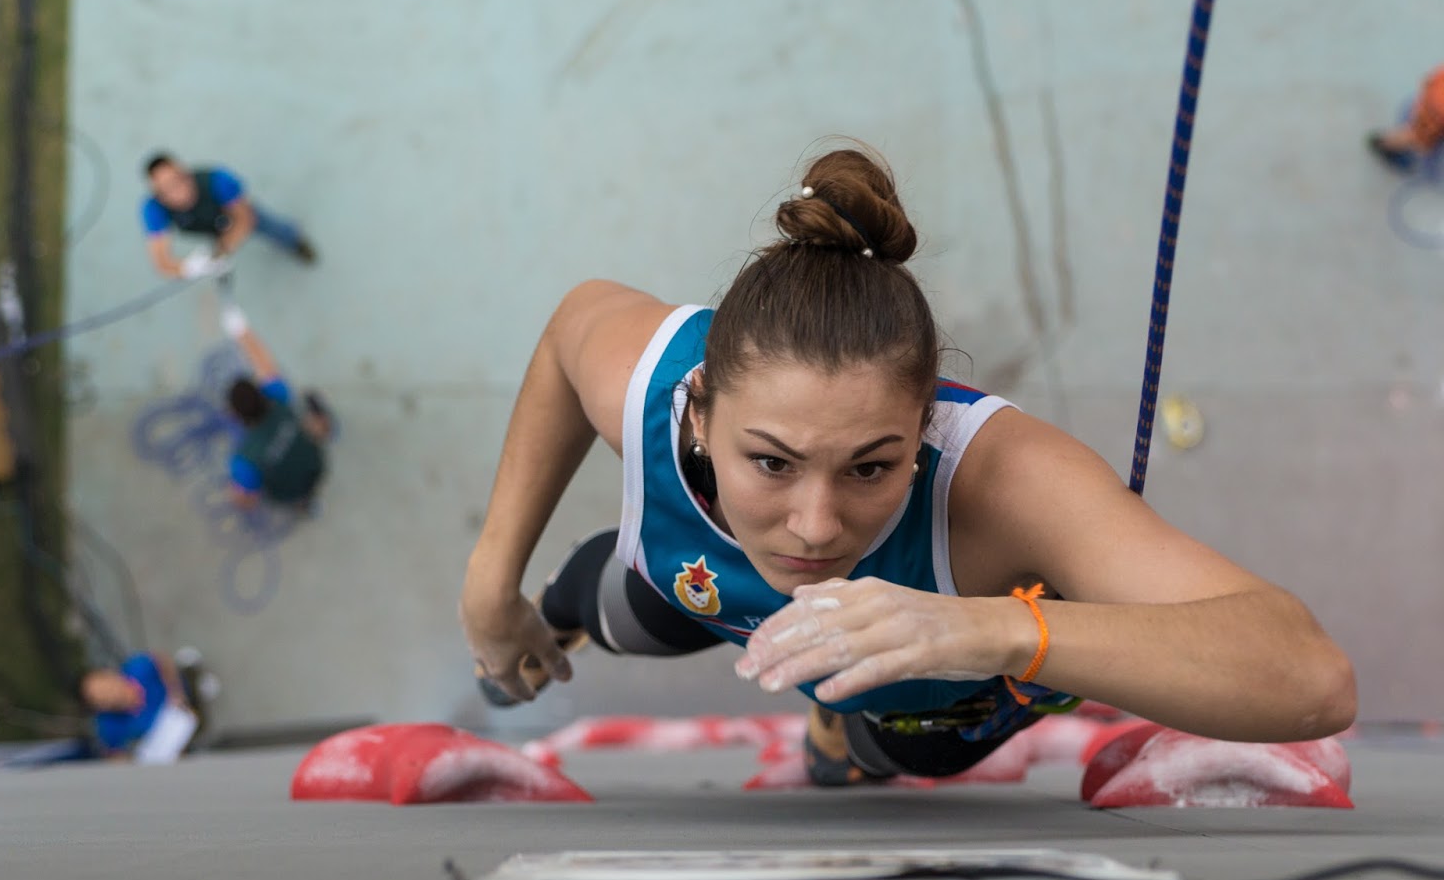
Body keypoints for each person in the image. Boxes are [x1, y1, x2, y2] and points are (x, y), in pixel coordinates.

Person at [458, 143, 1356, 786]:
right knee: (600, 601)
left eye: (869, 468)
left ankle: (847, 732)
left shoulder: (1007, 481)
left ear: (925, 426)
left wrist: (992, 629)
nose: (816, 526)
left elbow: (1313, 676)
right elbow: (568, 329)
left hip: (929, 674)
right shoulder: (647, 381)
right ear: (696, 412)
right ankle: (601, 597)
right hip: (705, 577)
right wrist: (491, 587)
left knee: (900, 751)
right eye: (771, 463)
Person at [221, 306, 333, 510]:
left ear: (236, 416)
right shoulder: (279, 396)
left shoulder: (243, 460)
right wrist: (240, 329)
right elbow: (263, 361)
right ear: (260, 393)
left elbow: (246, 500)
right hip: (315, 467)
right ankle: (309, 499)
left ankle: (302, 504)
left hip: (285, 493)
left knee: (284, 492)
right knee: (310, 407)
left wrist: (235, 493)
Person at [141, 152, 317, 279]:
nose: (177, 193)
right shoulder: (153, 209)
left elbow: (246, 218)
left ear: (185, 173)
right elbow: (161, 261)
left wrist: (223, 249)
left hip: (235, 216)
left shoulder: (217, 181)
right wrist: (190, 268)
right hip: (209, 229)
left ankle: (296, 241)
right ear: (157, 193)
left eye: (177, 181)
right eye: (165, 190)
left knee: (273, 227)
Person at [80, 648, 216, 759]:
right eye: (99, 698)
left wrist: (176, 693)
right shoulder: (108, 726)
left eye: (104, 687)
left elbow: (163, 660)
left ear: (108, 675)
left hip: (183, 699)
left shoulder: (135, 668)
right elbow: (117, 756)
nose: (108, 694)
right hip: (179, 740)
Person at [1367, 64, 1444, 173]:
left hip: (1430, 105)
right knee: (1414, 137)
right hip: (1430, 118)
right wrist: (1424, 141)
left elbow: (1430, 81)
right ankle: (1384, 144)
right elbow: (1423, 133)